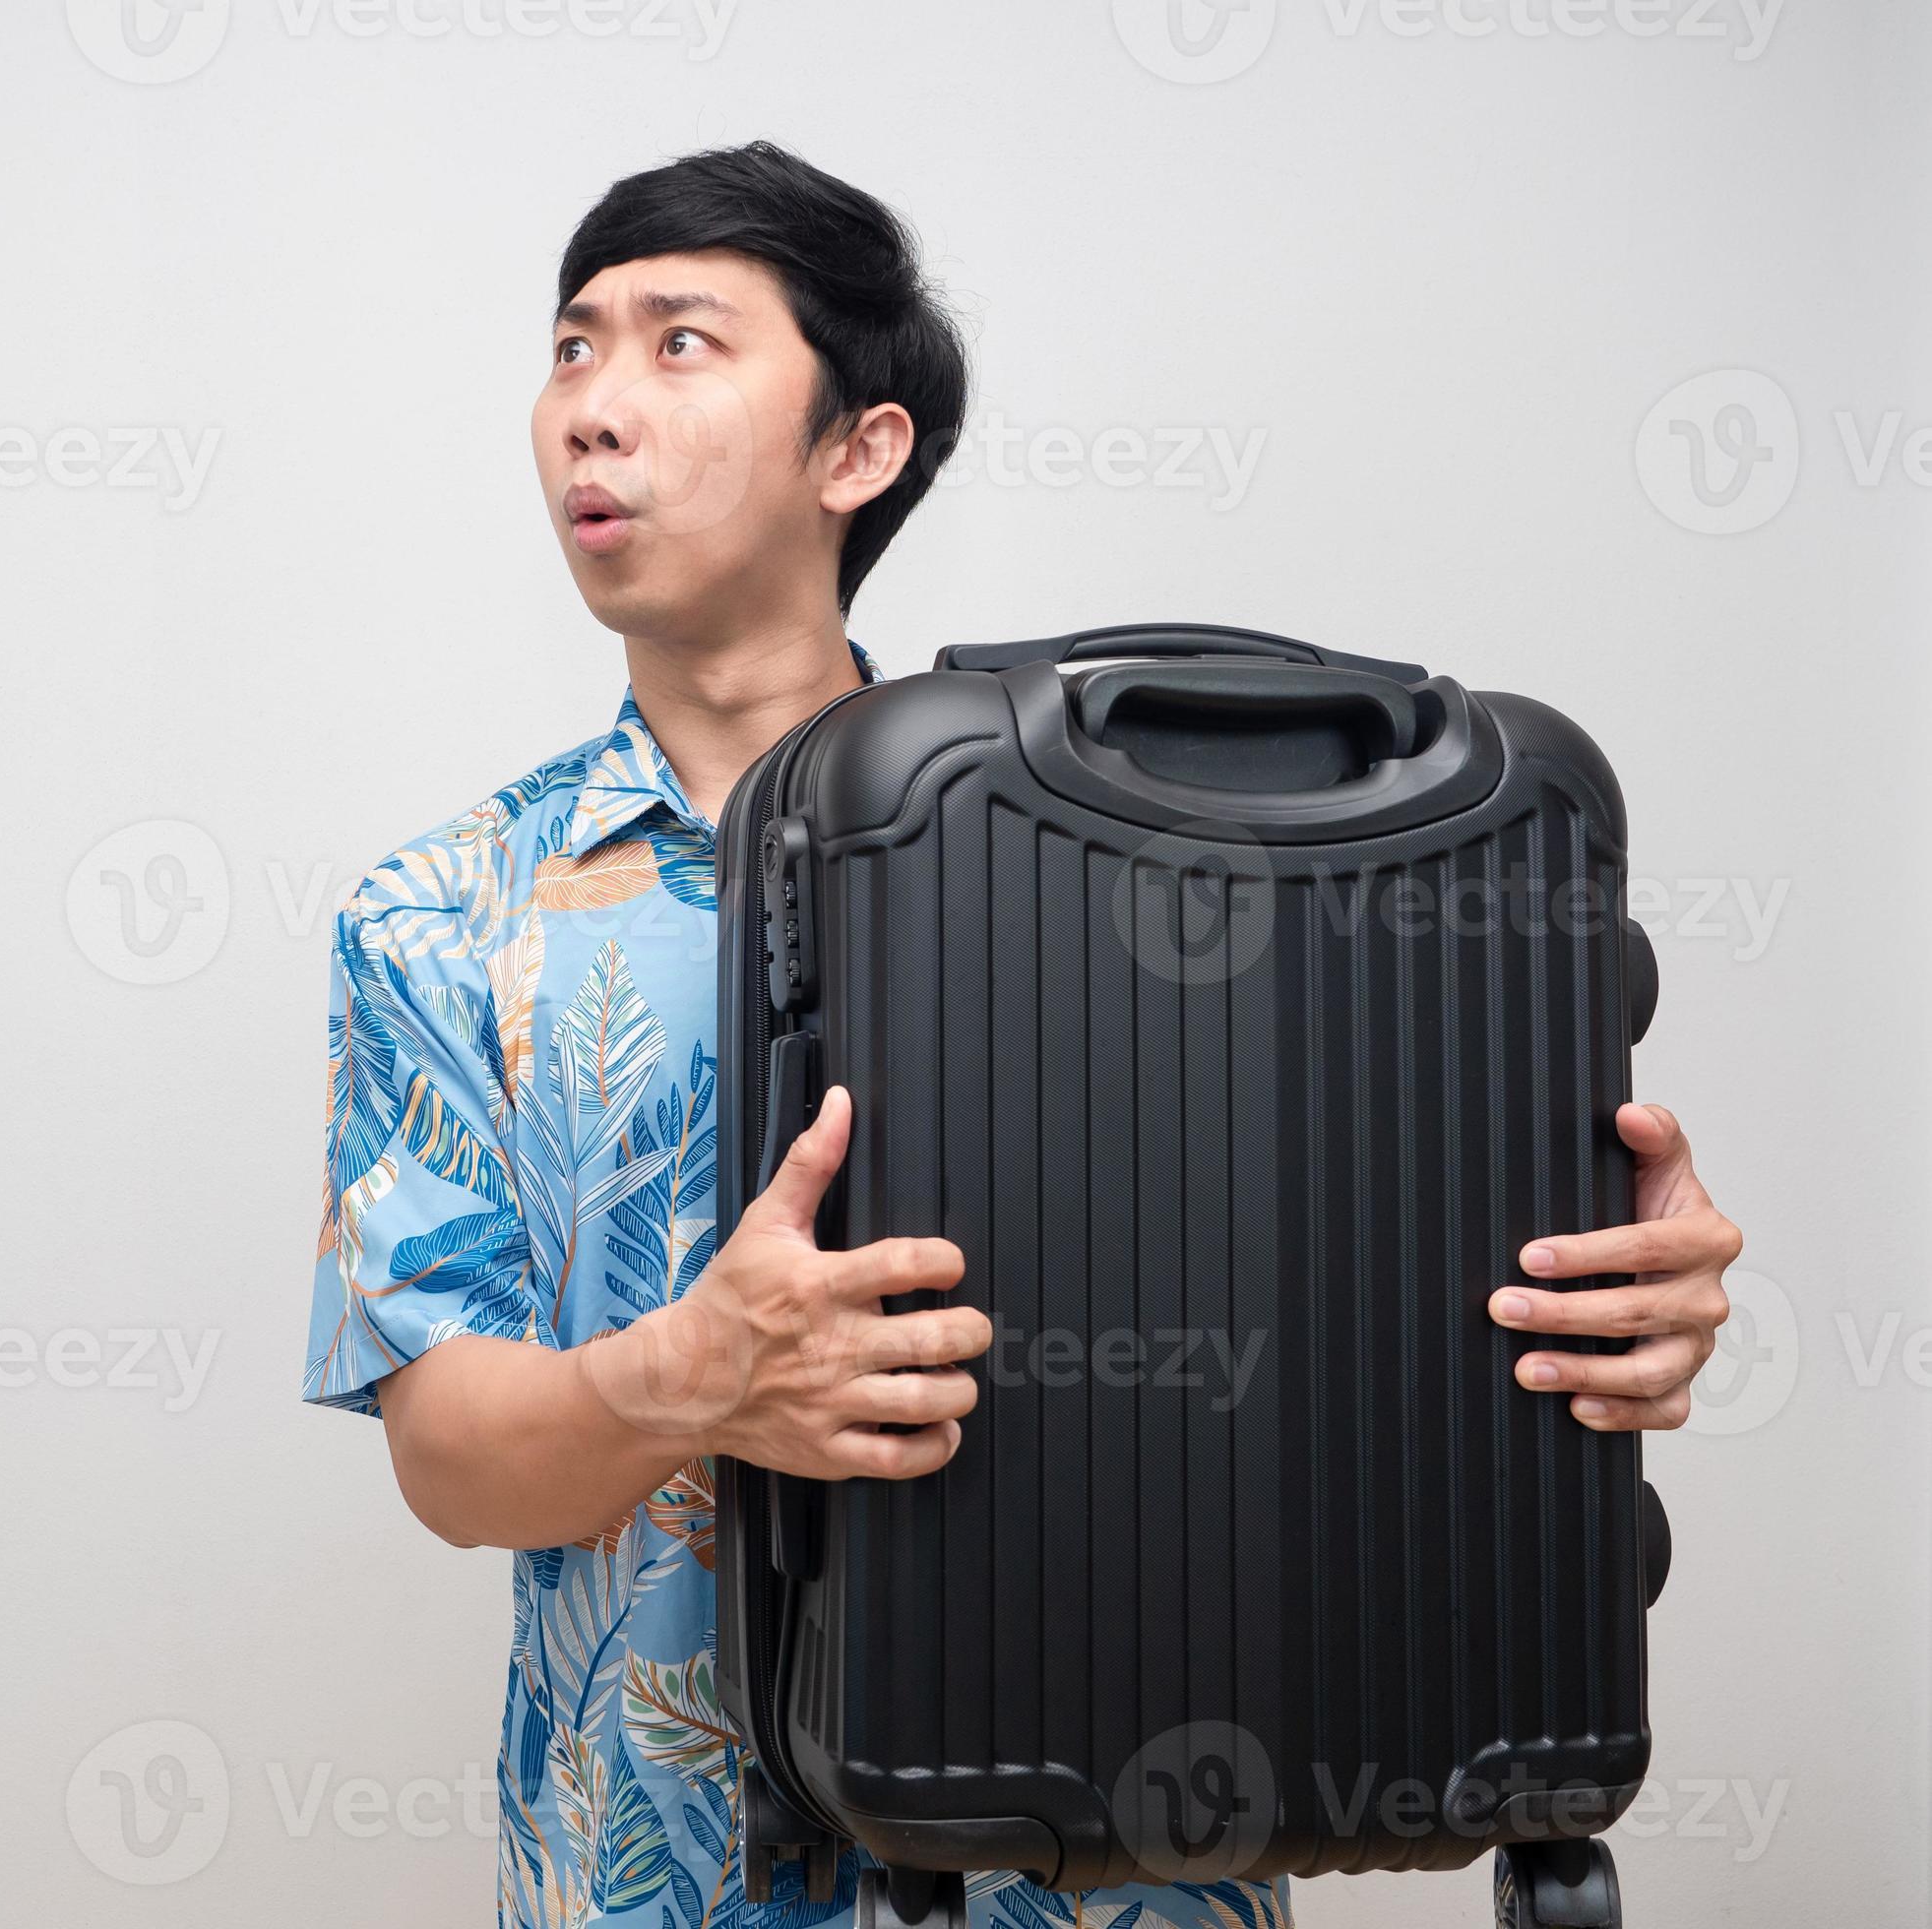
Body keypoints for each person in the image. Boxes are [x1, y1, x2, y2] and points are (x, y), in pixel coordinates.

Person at [301, 140, 1742, 1929]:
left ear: (857, 448)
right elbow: (449, 1460)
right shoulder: (440, 914)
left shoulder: (1187, 860)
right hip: (655, 1879)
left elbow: (1347, 1288)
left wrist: (1595, 1310)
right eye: (571, 348)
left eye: (679, 343)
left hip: (1135, 1873)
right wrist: (693, 1376)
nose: (592, 407)